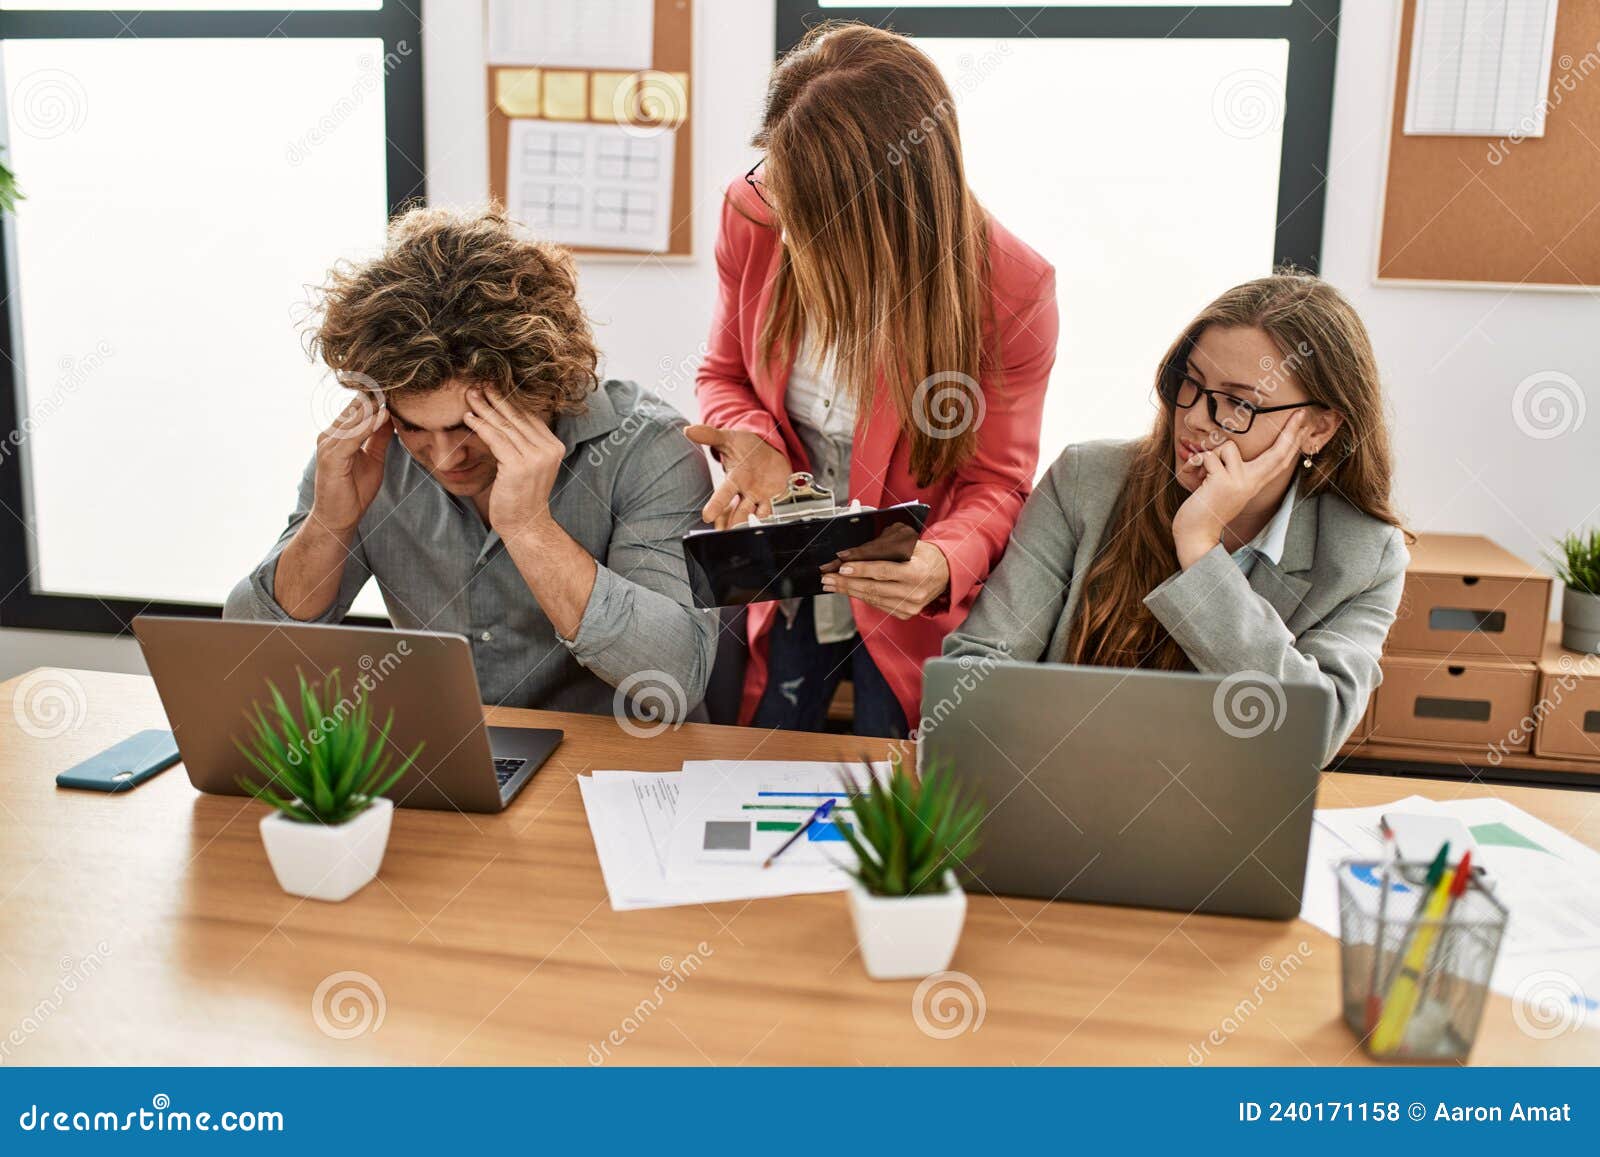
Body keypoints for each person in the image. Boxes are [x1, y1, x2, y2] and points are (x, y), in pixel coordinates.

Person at [690, 22, 1058, 738]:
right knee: (756, 764)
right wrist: (753, 441)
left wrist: (940, 563)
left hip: (905, 610)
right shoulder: (756, 210)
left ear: (886, 215)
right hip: (787, 584)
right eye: (780, 195)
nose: (785, 237)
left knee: (898, 809)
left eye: (810, 222)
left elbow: (997, 482)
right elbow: (723, 374)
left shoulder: (1014, 290)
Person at [225, 205, 716, 721]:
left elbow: (678, 677)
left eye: (469, 426)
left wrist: (529, 528)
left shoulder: (649, 447)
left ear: (540, 384)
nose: (444, 457)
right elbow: (249, 655)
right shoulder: (369, 450)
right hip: (453, 765)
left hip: (619, 774)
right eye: (416, 427)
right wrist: (330, 523)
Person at [944, 273, 1409, 765]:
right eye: (1191, 382)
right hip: (1056, 783)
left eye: (1239, 403)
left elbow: (1308, 737)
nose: (1196, 418)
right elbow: (974, 669)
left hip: (1228, 821)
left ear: (1317, 427)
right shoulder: (1085, 480)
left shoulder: (1365, 555)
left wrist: (1201, 548)